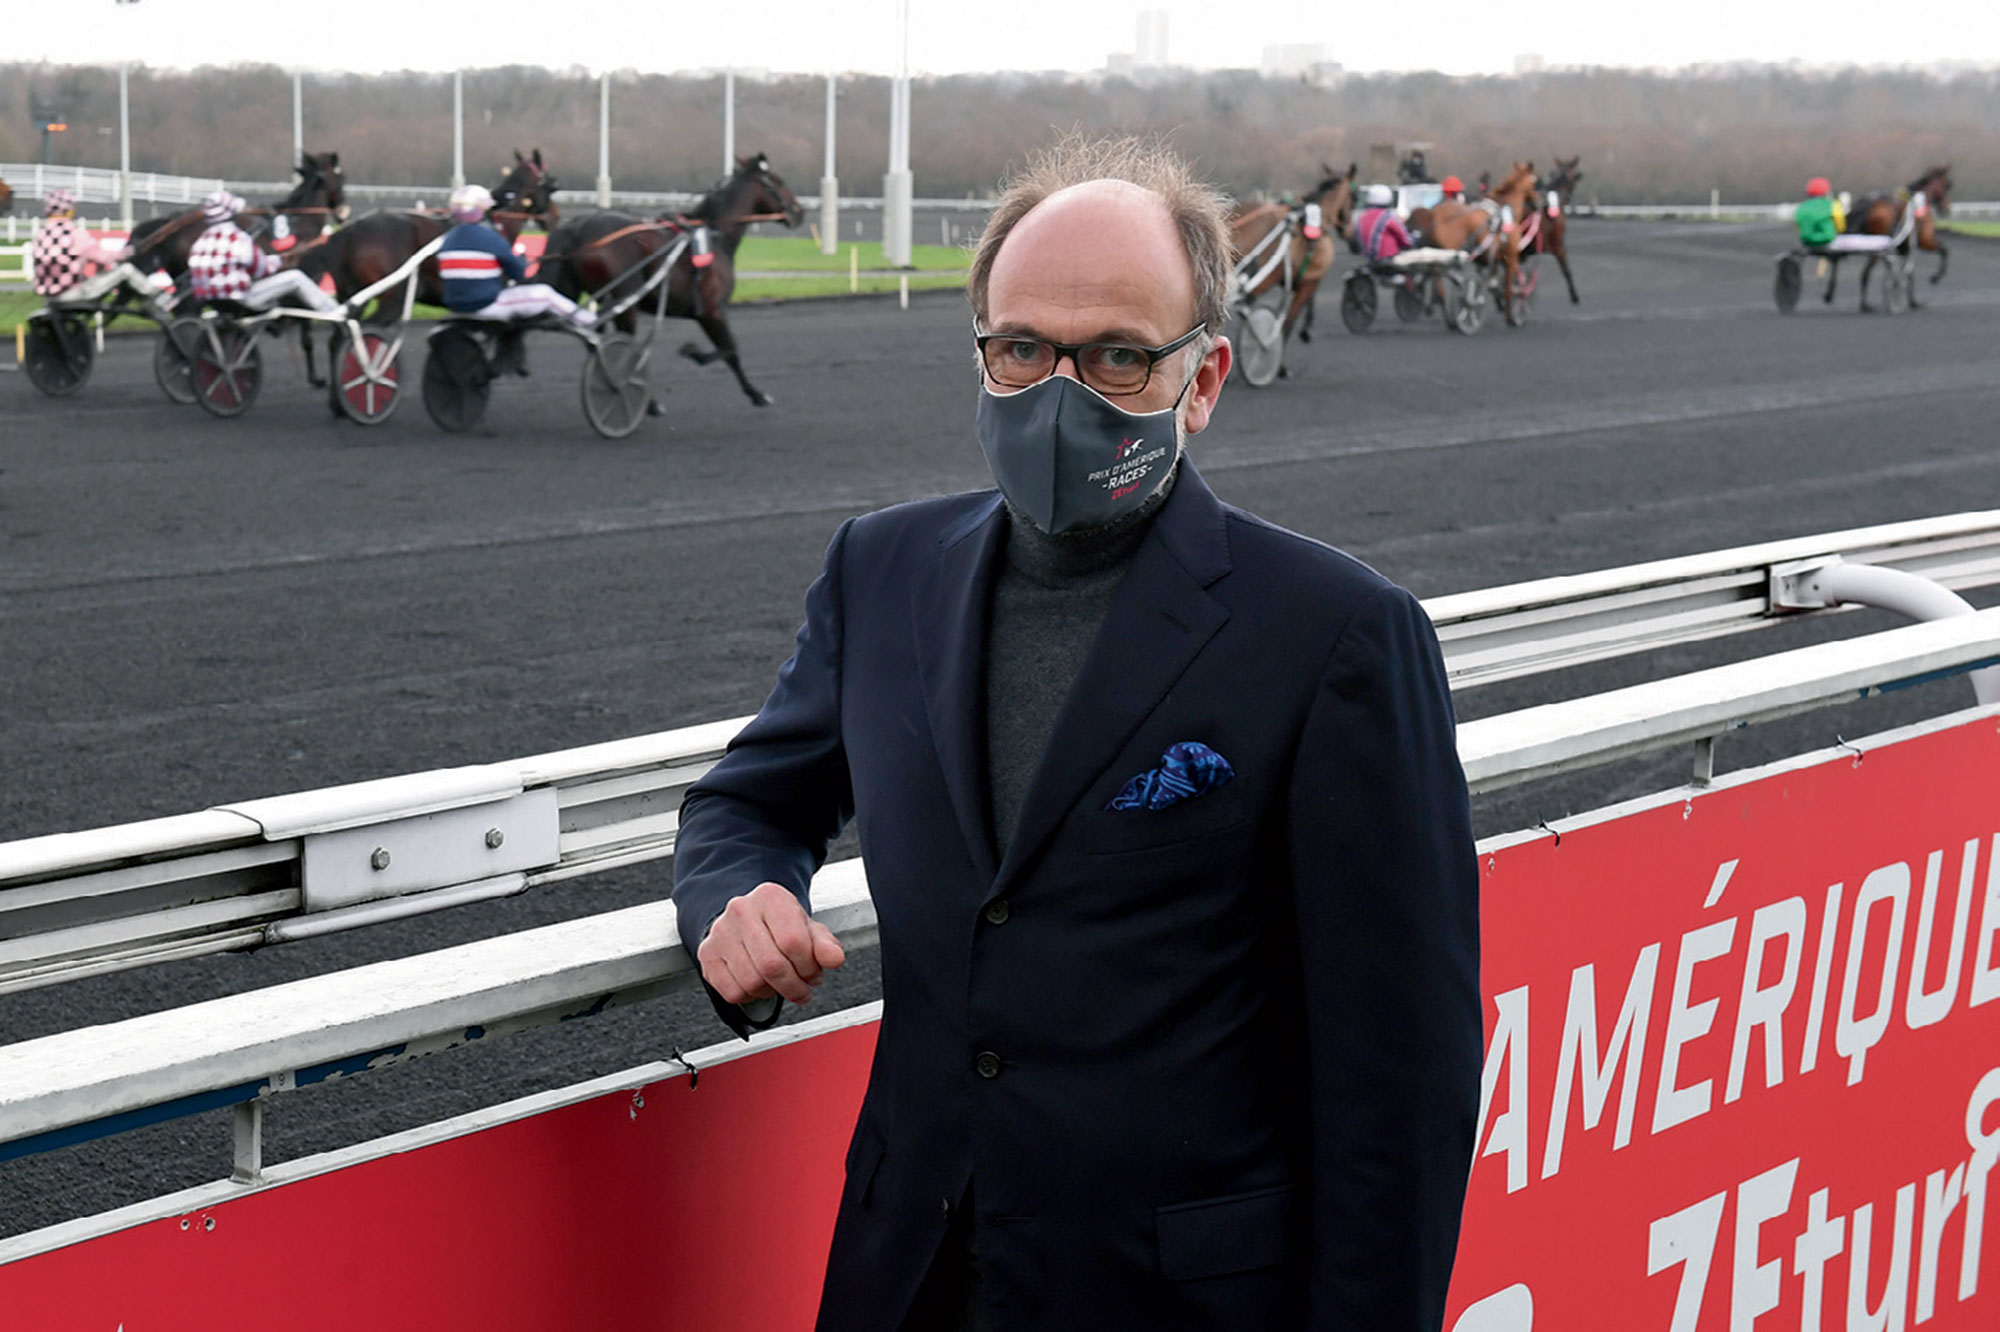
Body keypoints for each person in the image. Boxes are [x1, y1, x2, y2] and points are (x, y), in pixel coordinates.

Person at [671, 135, 1481, 1332]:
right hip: (906, 1275)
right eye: (1020, 350)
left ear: (1200, 383)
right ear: (982, 353)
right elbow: (748, 801)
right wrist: (736, 898)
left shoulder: (1337, 637)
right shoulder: (879, 569)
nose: (1058, 390)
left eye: (1114, 358)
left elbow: (1399, 1084)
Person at [437, 184, 593, 329]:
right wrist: (522, 260)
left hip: (454, 305)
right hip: (486, 306)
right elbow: (520, 273)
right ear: (482, 211)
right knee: (545, 294)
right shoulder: (491, 237)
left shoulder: (448, 239)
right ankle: (588, 321)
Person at [186, 190, 339, 313]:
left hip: (210, 300)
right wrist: (284, 261)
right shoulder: (238, 238)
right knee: (295, 277)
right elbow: (261, 269)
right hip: (239, 300)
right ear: (231, 213)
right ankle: (335, 312)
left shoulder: (200, 242)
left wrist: (280, 258)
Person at [31, 188, 165, 312]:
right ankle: (163, 299)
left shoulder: (40, 235)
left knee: (94, 277)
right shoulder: (74, 233)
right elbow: (104, 257)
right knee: (126, 270)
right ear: (69, 210)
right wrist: (129, 251)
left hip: (48, 297)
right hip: (73, 294)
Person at [1355, 182, 1418, 262]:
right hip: (1389, 262)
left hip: (1368, 261)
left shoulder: (1360, 219)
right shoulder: (1388, 218)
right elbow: (1406, 240)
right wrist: (1417, 238)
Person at [1794, 176, 1847, 248]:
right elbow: (1840, 226)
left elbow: (1798, 225)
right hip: (1828, 240)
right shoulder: (1833, 204)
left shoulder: (1802, 207)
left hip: (1806, 241)